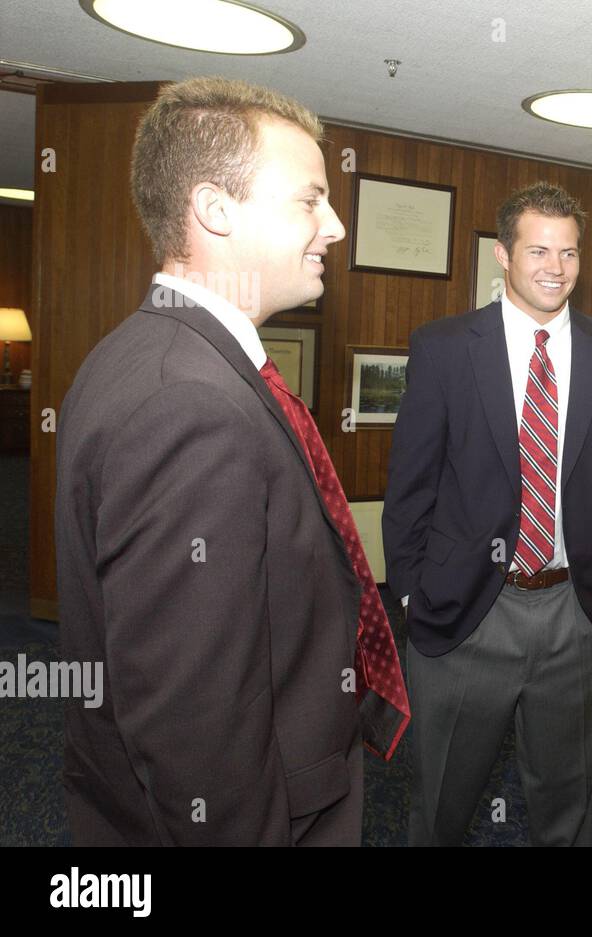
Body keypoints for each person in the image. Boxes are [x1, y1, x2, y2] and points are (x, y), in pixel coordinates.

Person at [56, 77, 407, 845]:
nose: (336, 226)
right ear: (215, 210)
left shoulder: (136, 353)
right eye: (310, 199)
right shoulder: (190, 407)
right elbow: (195, 733)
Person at [384, 181, 592, 846]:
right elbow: (410, 485)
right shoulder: (443, 346)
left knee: (569, 809)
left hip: (577, 614)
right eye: (539, 250)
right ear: (503, 255)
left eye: (569, 252)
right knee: (441, 805)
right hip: (468, 611)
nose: (556, 267)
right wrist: (414, 593)